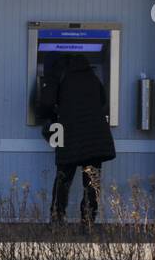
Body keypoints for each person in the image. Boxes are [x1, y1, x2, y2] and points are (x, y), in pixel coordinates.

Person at [38, 53, 116, 224]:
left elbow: (46, 103)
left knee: (63, 178)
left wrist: (53, 115)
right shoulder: (93, 76)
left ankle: (57, 219)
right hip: (95, 135)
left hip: (69, 133)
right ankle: (88, 221)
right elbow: (103, 101)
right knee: (91, 181)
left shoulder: (56, 74)